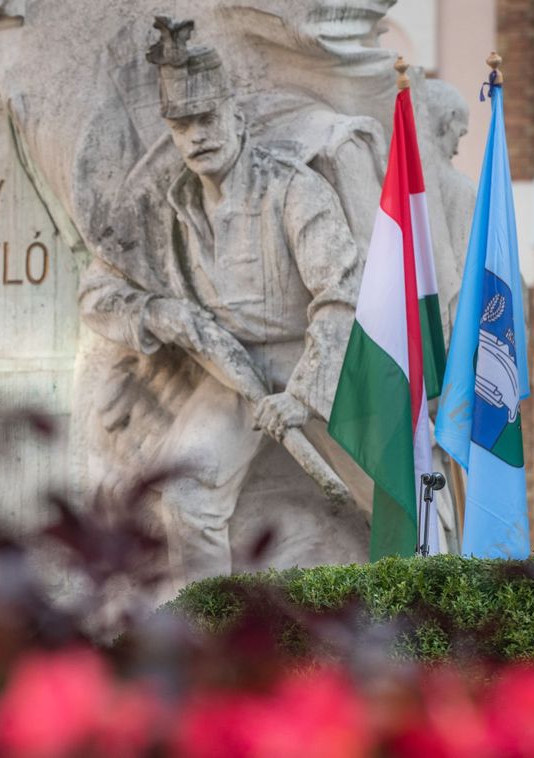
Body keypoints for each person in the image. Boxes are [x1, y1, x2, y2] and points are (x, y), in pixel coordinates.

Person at [84, 18, 363, 584]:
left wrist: (304, 395)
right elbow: (99, 293)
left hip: (316, 362)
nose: (196, 136)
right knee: (186, 492)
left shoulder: (292, 188)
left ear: (235, 117)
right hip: (229, 369)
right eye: (181, 125)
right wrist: (159, 314)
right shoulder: (166, 207)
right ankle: (209, 632)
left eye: (206, 119)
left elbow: (341, 296)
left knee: (401, 489)